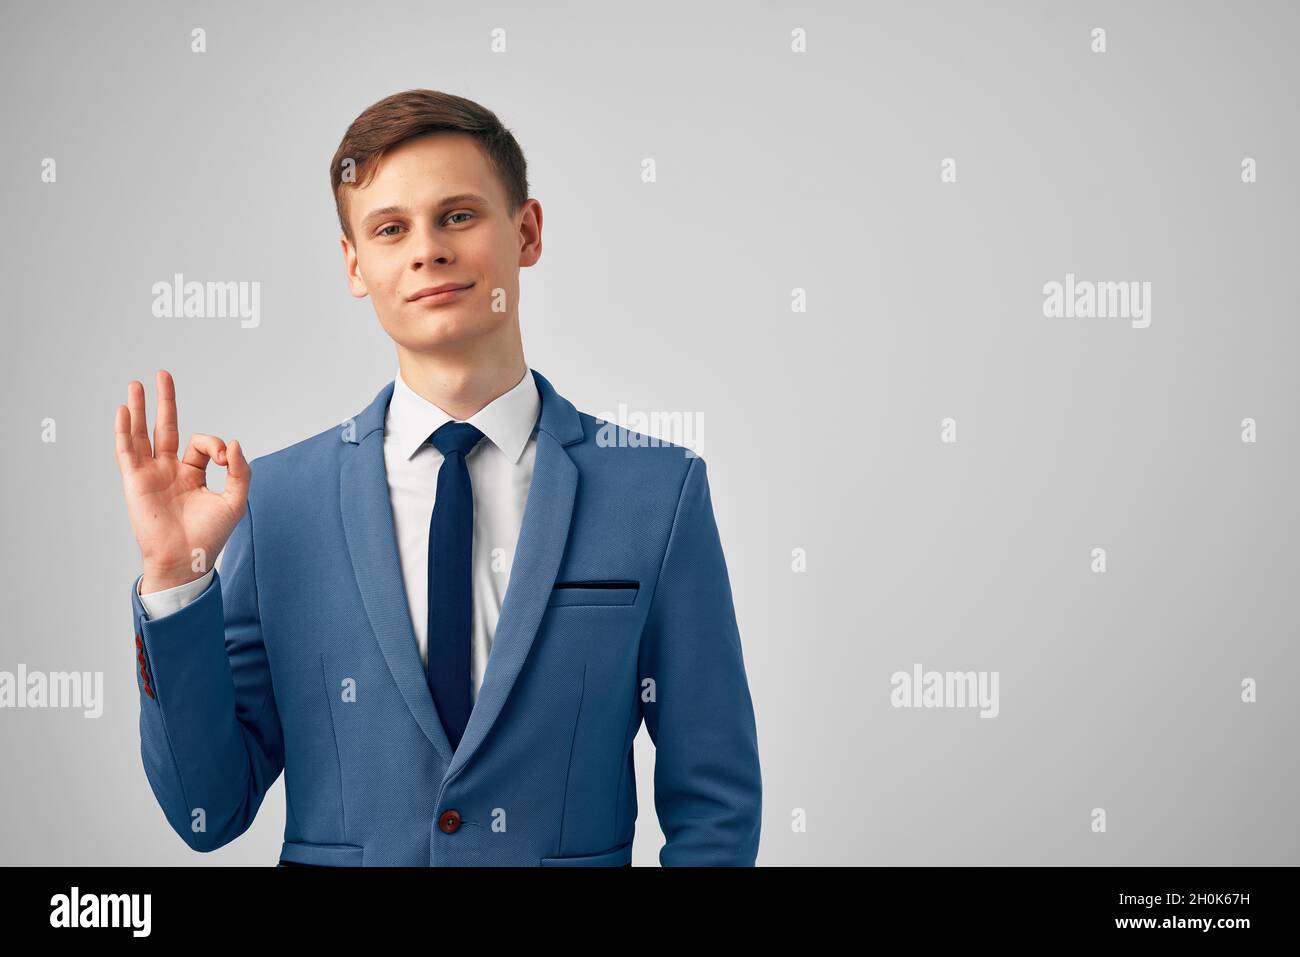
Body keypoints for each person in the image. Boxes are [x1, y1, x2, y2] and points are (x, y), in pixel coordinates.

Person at [114, 89, 761, 867]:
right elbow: (206, 812)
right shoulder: (277, 504)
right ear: (357, 264)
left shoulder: (657, 493)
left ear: (526, 231)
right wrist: (173, 577)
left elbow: (716, 807)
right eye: (391, 229)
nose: (427, 249)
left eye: (458, 215)